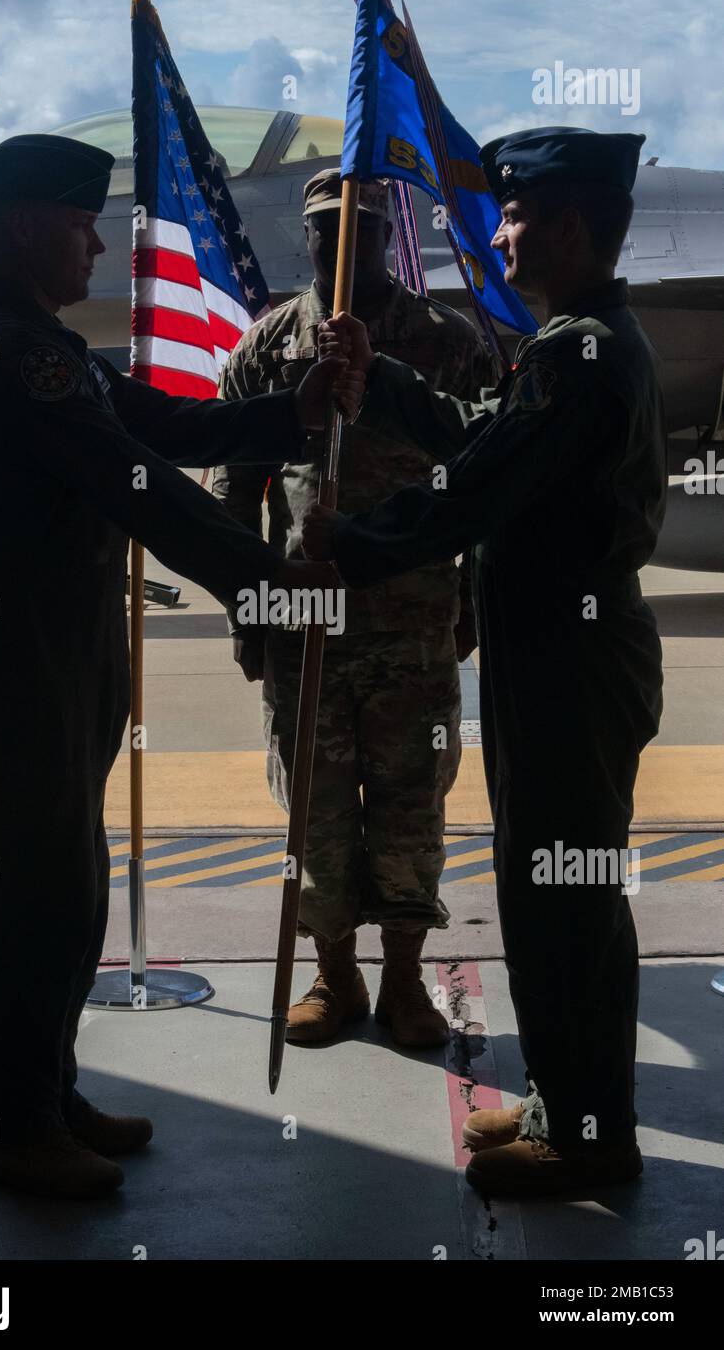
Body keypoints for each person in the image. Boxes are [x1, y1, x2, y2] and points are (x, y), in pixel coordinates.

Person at [0, 133, 354, 1200]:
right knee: (36, 899)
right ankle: (11, 1125)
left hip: (57, 664)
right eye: (81, 227)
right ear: (29, 228)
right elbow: (141, 486)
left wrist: (288, 411)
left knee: (67, 893)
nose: (97, 247)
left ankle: (46, 1094)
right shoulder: (13, 357)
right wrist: (268, 584)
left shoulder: (49, 349)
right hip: (26, 667)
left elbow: (159, 423)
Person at [304, 128, 666, 1198]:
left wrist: (351, 545)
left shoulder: (577, 351)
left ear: (565, 225)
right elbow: (480, 436)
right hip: (559, 654)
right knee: (551, 886)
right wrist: (384, 383)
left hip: (567, 664)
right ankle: (565, 1102)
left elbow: (470, 491)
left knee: (565, 898)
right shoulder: (585, 340)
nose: (495, 234)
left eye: (512, 216)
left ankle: (589, 1138)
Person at [212, 169, 493, 1050]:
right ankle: (335, 978)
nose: (346, 243)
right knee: (317, 814)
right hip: (307, 635)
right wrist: (248, 610)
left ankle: (405, 978)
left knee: (412, 811)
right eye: (329, 227)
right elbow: (235, 490)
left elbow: (489, 480)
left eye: (364, 228)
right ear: (308, 236)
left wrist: (471, 603)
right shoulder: (269, 346)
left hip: (414, 628)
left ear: (388, 234)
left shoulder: (445, 343)